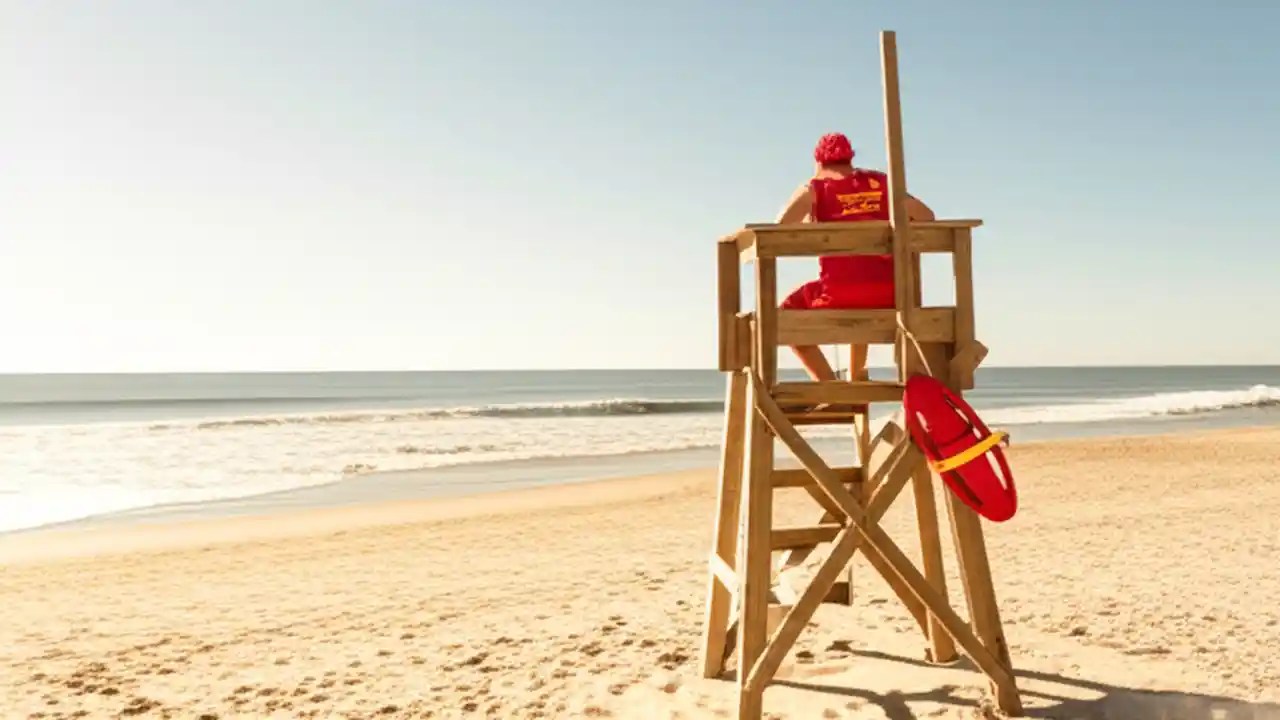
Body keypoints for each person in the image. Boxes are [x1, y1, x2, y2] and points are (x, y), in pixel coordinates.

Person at [776, 132, 936, 382]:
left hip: (838, 293)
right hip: (892, 293)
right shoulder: (883, 183)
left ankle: (828, 385)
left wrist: (811, 210)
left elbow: (780, 228)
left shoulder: (815, 189)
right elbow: (927, 216)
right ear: (850, 159)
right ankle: (856, 375)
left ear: (818, 162)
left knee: (783, 316)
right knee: (863, 279)